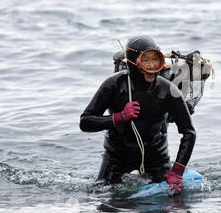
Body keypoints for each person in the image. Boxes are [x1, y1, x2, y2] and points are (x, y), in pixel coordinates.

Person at [79, 36, 196, 195]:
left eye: (155, 59)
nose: (151, 65)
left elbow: (189, 132)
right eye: (145, 60)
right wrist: (119, 117)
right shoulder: (113, 85)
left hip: (155, 157)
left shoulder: (168, 90)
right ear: (132, 62)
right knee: (100, 198)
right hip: (117, 157)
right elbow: (85, 122)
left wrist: (177, 171)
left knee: (171, 205)